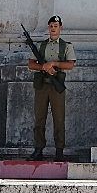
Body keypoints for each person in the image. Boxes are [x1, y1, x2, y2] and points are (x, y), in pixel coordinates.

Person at [27, 15, 76, 160]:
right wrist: (43, 66)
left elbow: (70, 64)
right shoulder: (41, 45)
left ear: (61, 27)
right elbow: (31, 64)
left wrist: (54, 64)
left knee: (59, 119)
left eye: (56, 26)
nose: (53, 28)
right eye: (51, 26)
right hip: (42, 85)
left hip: (56, 86)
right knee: (39, 118)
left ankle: (59, 150)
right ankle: (38, 149)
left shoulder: (66, 46)